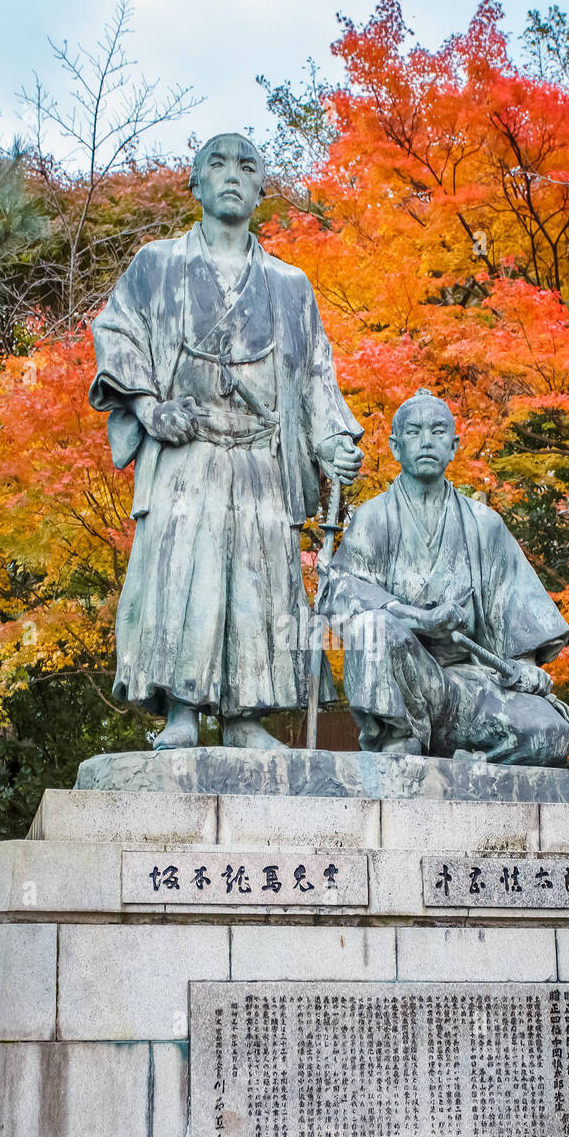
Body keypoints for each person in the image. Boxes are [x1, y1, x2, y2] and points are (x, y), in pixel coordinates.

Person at [88, 132, 362, 749]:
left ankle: (246, 719)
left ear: (262, 188)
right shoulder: (158, 264)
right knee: (185, 573)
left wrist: (333, 440)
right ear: (195, 182)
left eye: (248, 165)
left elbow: (316, 374)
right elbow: (118, 332)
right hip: (187, 449)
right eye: (217, 163)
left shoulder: (291, 286)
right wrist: (148, 408)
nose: (232, 174)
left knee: (260, 582)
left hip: (262, 455)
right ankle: (181, 713)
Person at [323, 390, 569, 764]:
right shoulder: (373, 518)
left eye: (438, 431)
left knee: (553, 733)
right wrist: (418, 619)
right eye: (414, 432)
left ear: (454, 446)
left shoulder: (484, 525)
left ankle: (465, 760)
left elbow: (516, 612)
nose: (426, 441)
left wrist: (526, 668)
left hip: (469, 688)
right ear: (395, 447)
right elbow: (339, 592)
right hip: (405, 681)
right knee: (372, 626)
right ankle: (401, 737)